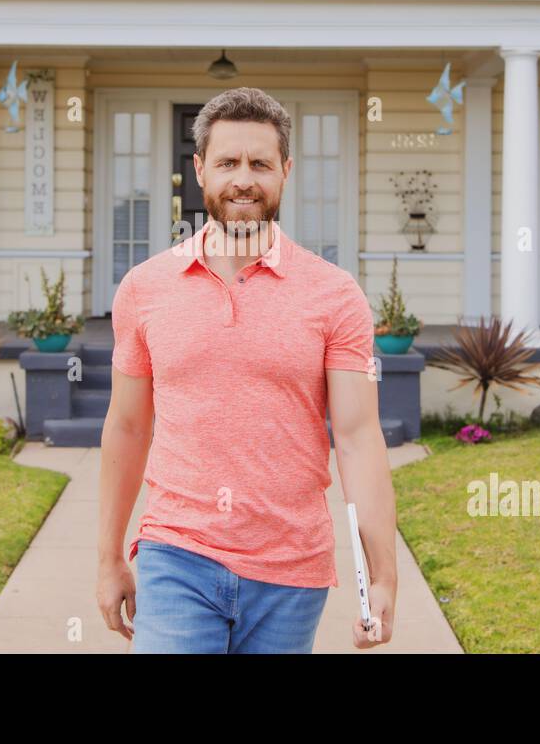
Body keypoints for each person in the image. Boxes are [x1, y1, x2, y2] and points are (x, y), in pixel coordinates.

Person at [95, 86, 397, 653]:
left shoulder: (334, 296)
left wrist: (383, 576)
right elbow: (129, 428)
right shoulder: (144, 289)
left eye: (260, 163)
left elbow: (358, 439)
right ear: (199, 170)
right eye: (228, 162)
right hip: (176, 552)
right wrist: (110, 557)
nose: (243, 179)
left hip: (291, 568)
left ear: (285, 171)